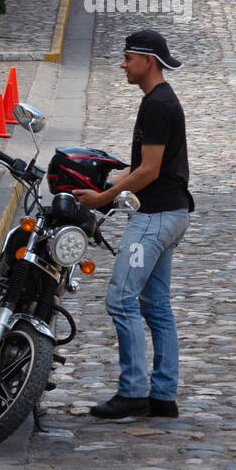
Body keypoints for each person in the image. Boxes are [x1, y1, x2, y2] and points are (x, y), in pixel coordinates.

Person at [72, 29, 193, 421]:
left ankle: (132, 391)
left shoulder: (157, 105)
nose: (123, 65)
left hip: (154, 218)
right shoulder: (159, 100)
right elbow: (142, 166)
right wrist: (109, 178)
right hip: (172, 215)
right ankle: (163, 396)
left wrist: (102, 199)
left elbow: (150, 170)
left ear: (148, 61)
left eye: (127, 58)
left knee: (120, 299)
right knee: (156, 305)